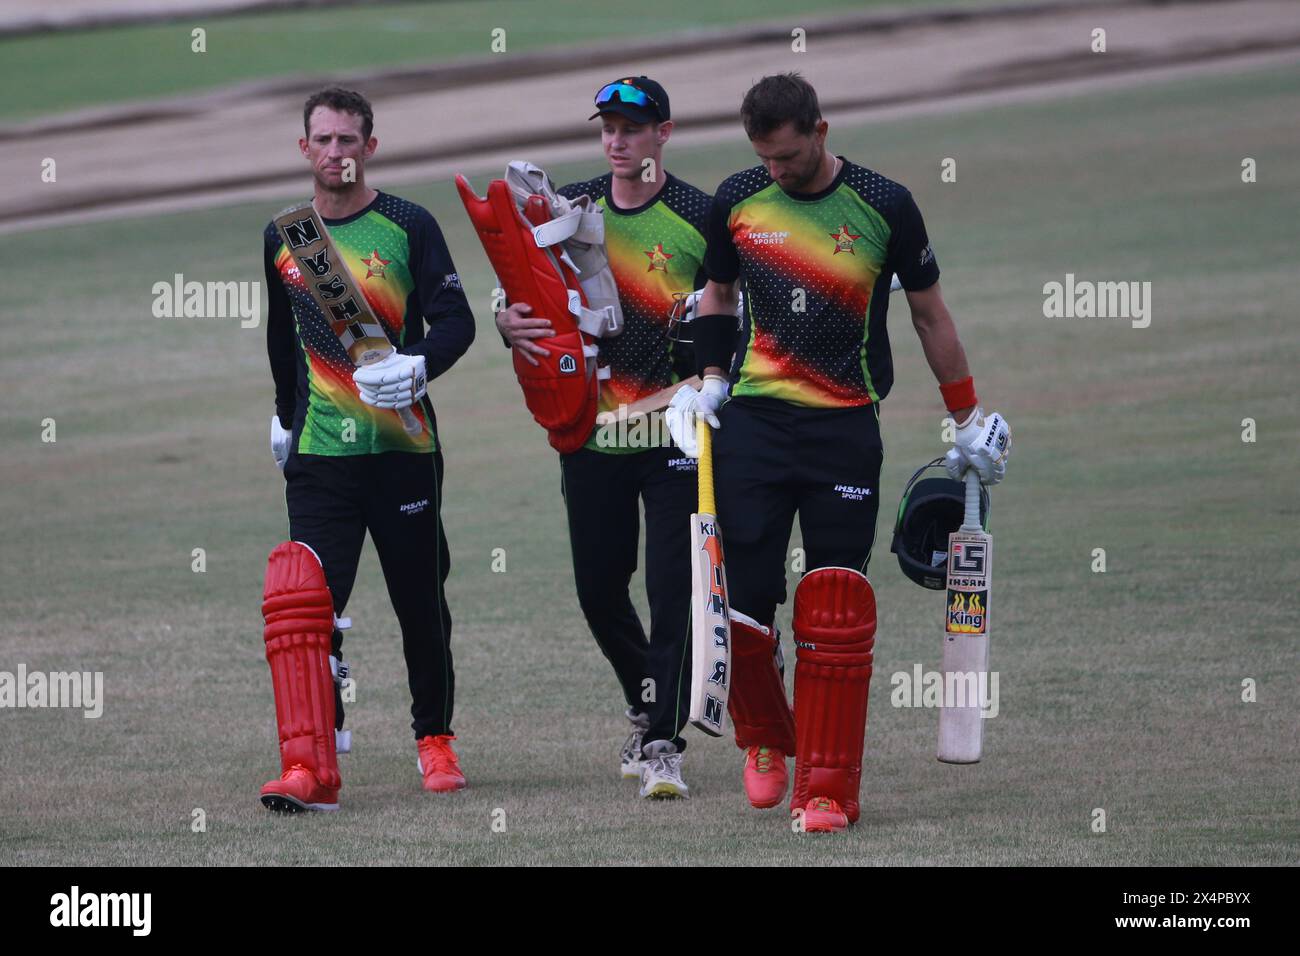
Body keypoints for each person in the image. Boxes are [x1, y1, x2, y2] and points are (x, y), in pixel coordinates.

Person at [667, 73, 1012, 832]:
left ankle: (827, 789)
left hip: (845, 428)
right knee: (747, 605)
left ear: (820, 131)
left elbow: (929, 315)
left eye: (788, 156)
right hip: (752, 424)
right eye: (765, 158)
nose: (778, 172)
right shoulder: (738, 198)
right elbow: (716, 296)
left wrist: (967, 415)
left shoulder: (884, 204)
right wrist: (709, 379)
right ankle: (763, 741)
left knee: (833, 604)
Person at [495, 77, 713, 799]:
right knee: (597, 590)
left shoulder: (699, 217)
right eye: (608, 127)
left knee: (670, 592)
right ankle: (649, 698)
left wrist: (711, 384)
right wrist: (507, 323)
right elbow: (529, 295)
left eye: (632, 126)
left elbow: (730, 322)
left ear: (663, 133)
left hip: (675, 438)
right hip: (593, 437)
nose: (617, 140)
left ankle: (662, 742)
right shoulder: (571, 211)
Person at [260, 87, 476, 812]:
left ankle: (434, 739)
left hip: (403, 450)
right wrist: (283, 415)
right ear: (304, 150)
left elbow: (457, 321)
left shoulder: (408, 224)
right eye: (322, 141)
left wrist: (419, 362)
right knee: (308, 609)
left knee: (420, 601)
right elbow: (278, 338)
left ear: (369, 148)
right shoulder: (286, 235)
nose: (335, 153)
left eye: (348, 141)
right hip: (320, 455)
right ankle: (313, 760)